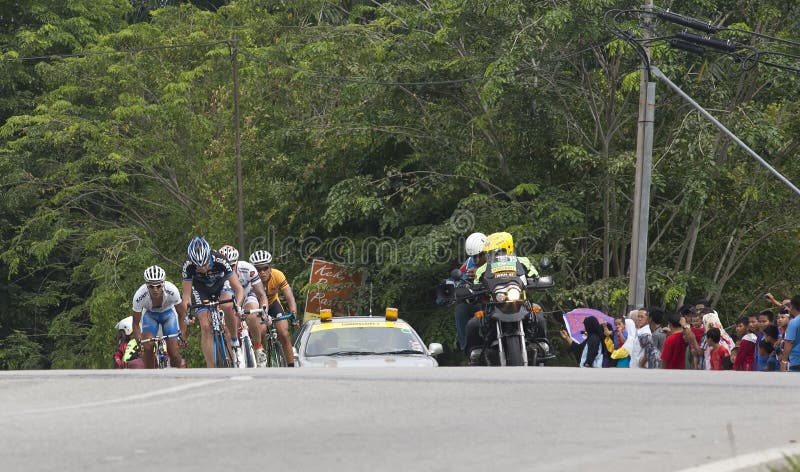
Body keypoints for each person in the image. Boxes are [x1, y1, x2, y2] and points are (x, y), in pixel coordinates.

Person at [464, 232, 545, 362]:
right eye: (489, 253)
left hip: (521, 303)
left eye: (496, 251)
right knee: (473, 324)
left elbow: (535, 277)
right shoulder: (482, 269)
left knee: (538, 313)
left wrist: (538, 282)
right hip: (493, 307)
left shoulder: (523, 261)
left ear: (508, 248)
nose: (493, 255)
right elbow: (474, 289)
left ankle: (543, 345)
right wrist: (469, 293)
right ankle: (474, 355)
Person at [181, 236, 246, 368]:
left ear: (209, 256)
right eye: (199, 267)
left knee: (227, 306)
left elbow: (239, 289)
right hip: (201, 290)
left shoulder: (220, 259)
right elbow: (186, 296)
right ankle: (211, 368)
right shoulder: (187, 265)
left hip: (221, 286)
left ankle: (234, 341)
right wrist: (187, 314)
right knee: (205, 326)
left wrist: (238, 306)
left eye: (205, 264)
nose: (203, 269)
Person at [218, 245, 270, 367]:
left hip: (247, 296)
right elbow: (217, 298)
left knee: (252, 316)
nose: (228, 269)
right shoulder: (217, 274)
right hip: (230, 300)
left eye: (231, 266)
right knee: (228, 330)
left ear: (237, 262)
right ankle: (233, 360)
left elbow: (262, 295)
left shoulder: (248, 269)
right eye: (225, 266)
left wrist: (263, 312)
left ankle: (258, 347)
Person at [249, 250, 299, 367]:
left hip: (273, 304)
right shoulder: (251, 280)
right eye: (258, 269)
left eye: (265, 268)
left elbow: (290, 297)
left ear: (270, 267)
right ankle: (263, 359)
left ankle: (291, 367)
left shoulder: (278, 275)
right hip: (258, 306)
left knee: (283, 333)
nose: (262, 272)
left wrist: (294, 315)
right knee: (260, 331)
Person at [132, 265, 187, 369]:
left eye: (158, 286)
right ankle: (149, 373)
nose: (155, 289)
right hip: (150, 315)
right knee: (147, 346)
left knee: (174, 352)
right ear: (147, 285)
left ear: (163, 284)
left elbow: (182, 314)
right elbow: (135, 323)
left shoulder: (172, 290)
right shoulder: (139, 296)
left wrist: (182, 335)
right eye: (151, 287)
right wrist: (139, 342)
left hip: (169, 314)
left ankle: (179, 374)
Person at [453, 232, 486, 355]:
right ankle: (468, 350)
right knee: (461, 309)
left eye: (480, 255)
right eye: (474, 257)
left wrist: (480, 272)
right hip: (481, 302)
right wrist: (450, 285)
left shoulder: (498, 258)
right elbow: (457, 276)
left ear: (487, 251)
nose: (476, 260)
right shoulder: (469, 263)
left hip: (500, 300)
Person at [779, 295, 800, 372]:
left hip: (797, 361)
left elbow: (789, 342)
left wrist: (784, 361)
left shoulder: (794, 322)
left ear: (792, 306)